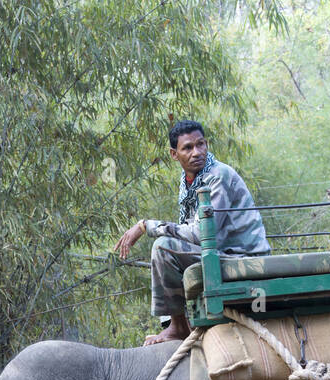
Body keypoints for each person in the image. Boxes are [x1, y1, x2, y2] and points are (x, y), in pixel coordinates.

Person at [115, 120, 270, 345]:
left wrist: (145, 226)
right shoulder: (189, 181)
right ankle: (175, 324)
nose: (196, 152)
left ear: (206, 144)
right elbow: (190, 229)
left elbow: (202, 234)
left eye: (201, 144)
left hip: (242, 257)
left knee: (163, 247)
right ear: (174, 154)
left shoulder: (217, 175)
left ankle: (178, 328)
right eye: (187, 148)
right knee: (166, 246)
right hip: (219, 252)